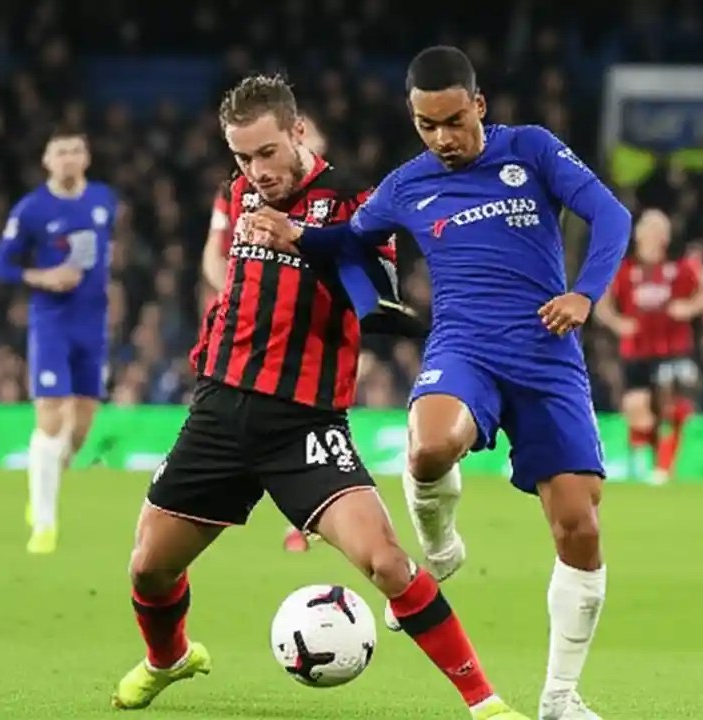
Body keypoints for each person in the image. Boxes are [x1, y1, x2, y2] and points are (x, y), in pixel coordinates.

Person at [112, 74, 529, 720]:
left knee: (388, 562)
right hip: (220, 411)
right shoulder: (240, 195)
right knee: (147, 569)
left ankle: (484, 701)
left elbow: (379, 296)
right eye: (242, 158)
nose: (255, 171)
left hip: (304, 425)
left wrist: (308, 248)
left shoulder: (356, 202)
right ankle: (170, 659)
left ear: (298, 132)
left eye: (267, 153)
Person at [241, 47, 631, 720]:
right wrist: (297, 234)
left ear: (478, 105)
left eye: (453, 120)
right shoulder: (407, 186)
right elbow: (350, 241)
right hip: (465, 347)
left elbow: (612, 217)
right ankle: (441, 546)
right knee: (426, 448)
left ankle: (560, 698)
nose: (443, 138)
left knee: (579, 528)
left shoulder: (531, 151)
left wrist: (587, 294)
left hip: (547, 351)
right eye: (427, 124)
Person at [199, 111, 331, 554]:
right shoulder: (234, 194)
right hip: (244, 336)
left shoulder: (338, 200)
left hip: (314, 342)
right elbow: (214, 259)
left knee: (303, 429)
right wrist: (241, 297)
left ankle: (305, 518)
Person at [0, 127, 117, 555]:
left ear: (87, 157)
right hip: (51, 322)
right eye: (60, 151)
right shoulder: (31, 209)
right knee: (50, 412)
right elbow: (2, 267)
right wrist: (42, 277)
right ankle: (44, 523)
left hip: (93, 324)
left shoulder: (103, 199)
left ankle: (43, 484)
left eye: (75, 150)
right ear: (47, 160)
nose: (68, 158)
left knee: (81, 424)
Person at [594, 209, 703, 484]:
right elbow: (601, 302)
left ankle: (663, 465)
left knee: (671, 405)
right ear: (638, 235)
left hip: (672, 350)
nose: (652, 235)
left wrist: (691, 307)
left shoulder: (678, 268)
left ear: (665, 237)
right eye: (647, 229)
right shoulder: (626, 270)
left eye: (658, 230)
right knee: (636, 407)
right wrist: (618, 323)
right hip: (636, 351)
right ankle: (642, 462)